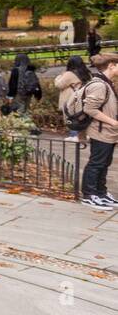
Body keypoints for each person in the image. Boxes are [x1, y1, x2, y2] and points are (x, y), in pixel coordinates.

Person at [80, 53, 118, 210]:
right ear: (111, 65)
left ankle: (101, 192)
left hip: (108, 132)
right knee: (97, 163)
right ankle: (89, 195)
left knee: (104, 163)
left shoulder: (107, 83)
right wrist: (113, 122)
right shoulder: (99, 85)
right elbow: (89, 109)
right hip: (100, 131)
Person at [57, 54, 91, 141]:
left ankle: (74, 136)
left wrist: (59, 76)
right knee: (81, 116)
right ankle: (84, 135)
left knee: (71, 117)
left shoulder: (69, 74)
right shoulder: (87, 73)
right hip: (83, 97)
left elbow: (59, 85)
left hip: (71, 98)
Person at [6, 52, 42, 116]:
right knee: (26, 109)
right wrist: (38, 94)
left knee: (19, 111)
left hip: (19, 93)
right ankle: (28, 122)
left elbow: (12, 84)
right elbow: (35, 82)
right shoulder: (30, 69)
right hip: (29, 92)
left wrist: (10, 96)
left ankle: (22, 124)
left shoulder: (16, 70)